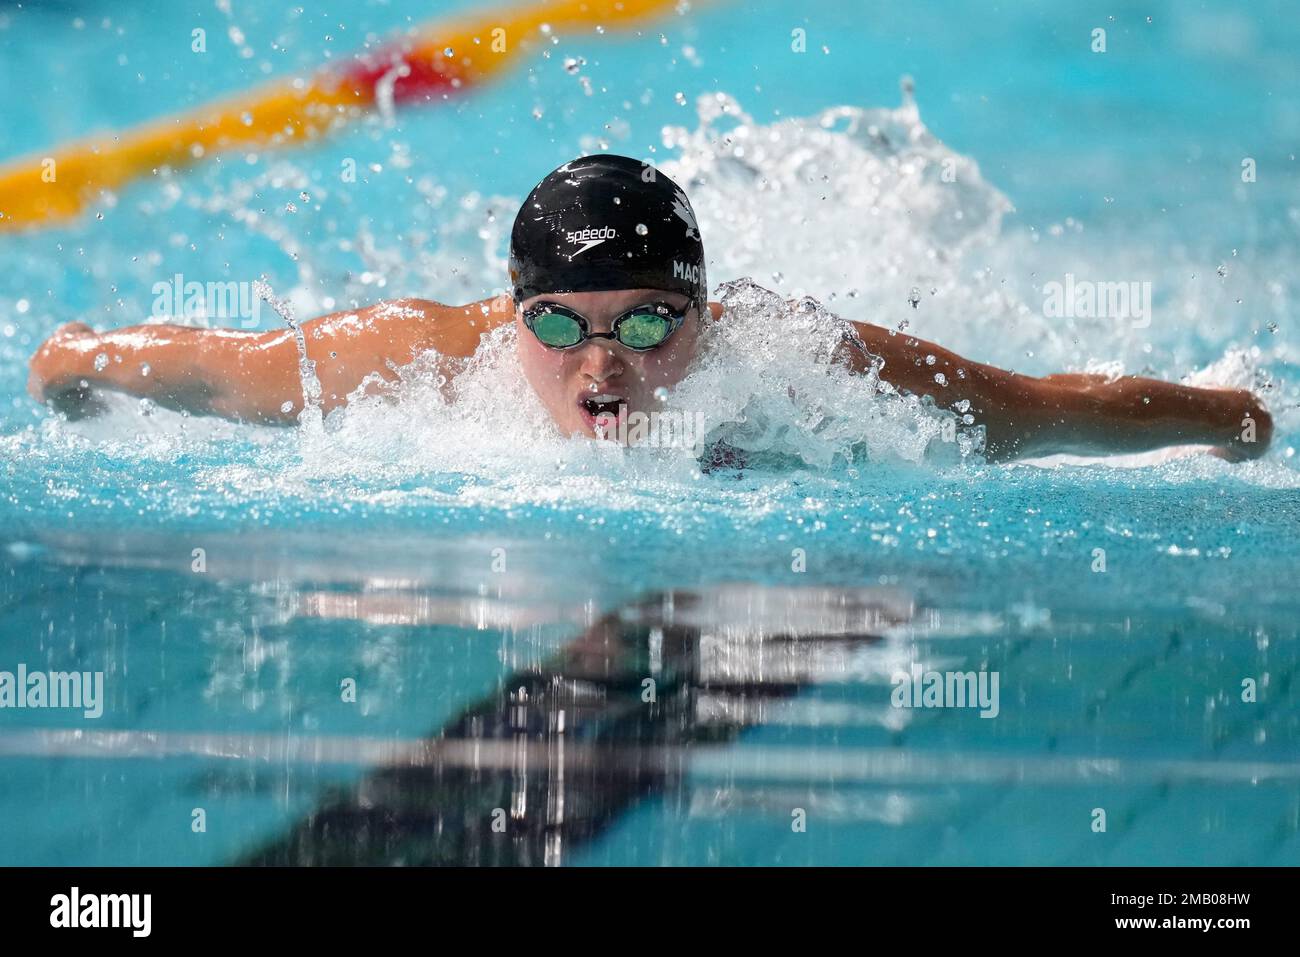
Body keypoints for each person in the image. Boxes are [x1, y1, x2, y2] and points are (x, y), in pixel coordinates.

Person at [26, 154, 1272, 462]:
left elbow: (1038, 411)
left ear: (705, 317)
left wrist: (1242, 423)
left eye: (645, 323)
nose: (601, 366)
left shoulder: (804, 366)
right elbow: (201, 366)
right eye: (560, 326)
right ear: (512, 319)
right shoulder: (407, 366)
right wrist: (73, 363)